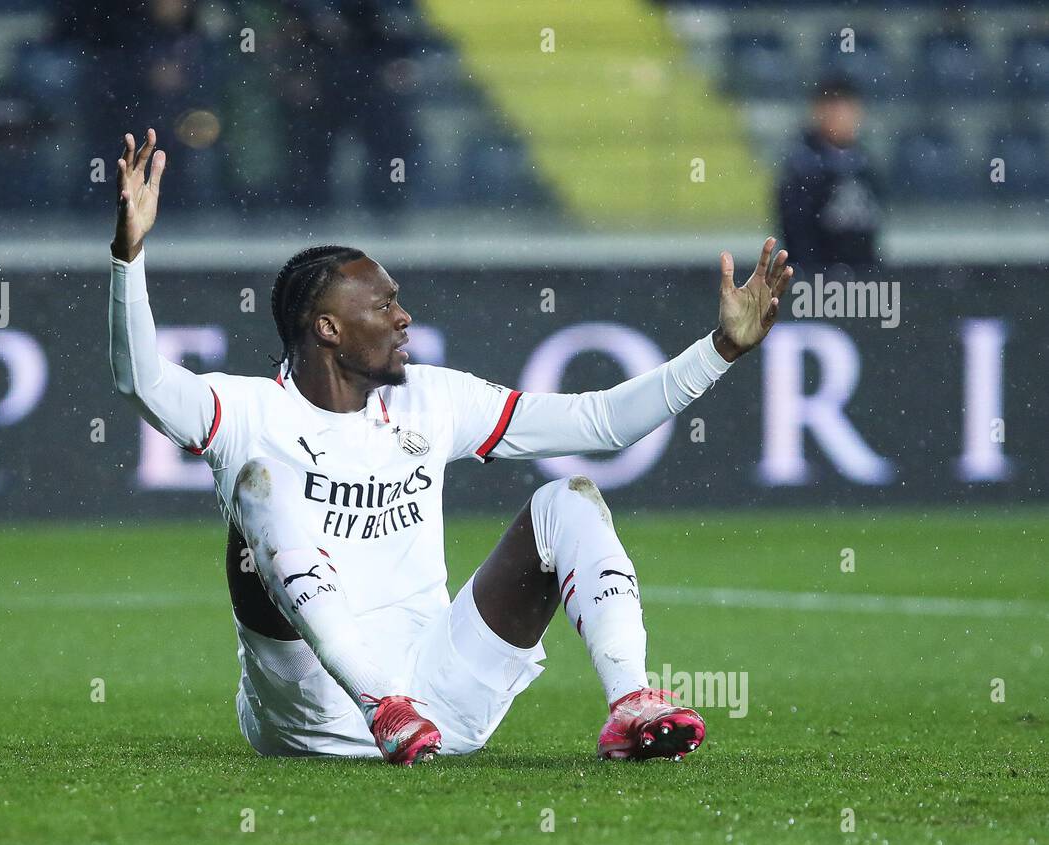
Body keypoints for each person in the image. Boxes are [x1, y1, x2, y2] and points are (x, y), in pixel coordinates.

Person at [109, 128, 794, 765]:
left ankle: (632, 701)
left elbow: (601, 424)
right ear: (327, 329)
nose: (404, 317)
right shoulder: (247, 410)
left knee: (570, 500)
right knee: (258, 484)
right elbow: (139, 378)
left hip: (443, 702)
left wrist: (723, 349)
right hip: (310, 712)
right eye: (382, 306)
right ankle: (379, 699)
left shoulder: (431, 399)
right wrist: (129, 257)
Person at [777, 76, 882, 271]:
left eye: (847, 109)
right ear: (819, 112)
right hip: (816, 284)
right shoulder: (802, 167)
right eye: (834, 109)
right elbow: (797, 237)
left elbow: (871, 232)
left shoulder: (865, 165)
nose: (842, 117)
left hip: (863, 281)